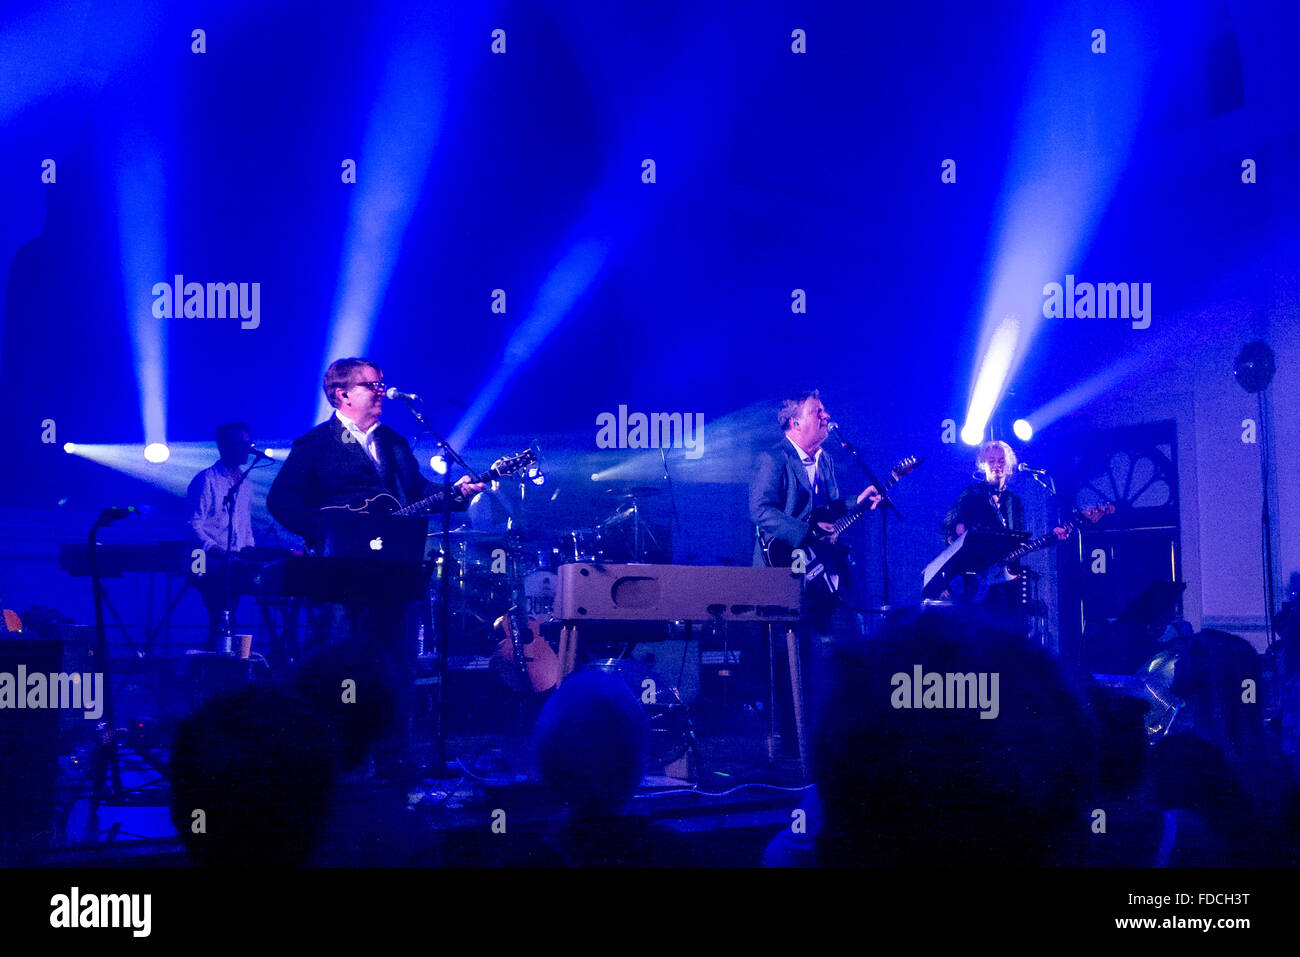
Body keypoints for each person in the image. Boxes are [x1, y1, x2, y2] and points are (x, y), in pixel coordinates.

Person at [267, 357, 485, 546]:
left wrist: (457, 492)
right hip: (337, 560)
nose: (382, 391)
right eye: (372, 385)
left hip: (393, 550)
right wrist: (325, 531)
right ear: (344, 395)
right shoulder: (314, 443)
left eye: (382, 383)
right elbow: (281, 500)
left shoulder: (392, 440)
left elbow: (417, 491)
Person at [187, 422, 267, 649]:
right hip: (208, 561)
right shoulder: (206, 479)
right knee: (221, 616)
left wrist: (250, 550)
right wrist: (215, 549)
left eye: (247, 443)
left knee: (228, 615)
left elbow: (245, 525)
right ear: (223, 446)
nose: (246, 448)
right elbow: (192, 524)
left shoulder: (245, 483)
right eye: (240, 444)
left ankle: (223, 659)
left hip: (236, 561)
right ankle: (215, 664)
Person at [941, 439, 1023, 546]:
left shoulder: (1014, 500)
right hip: (977, 559)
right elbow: (948, 528)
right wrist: (956, 537)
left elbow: (1021, 538)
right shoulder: (971, 494)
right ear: (983, 465)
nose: (997, 465)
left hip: (1006, 561)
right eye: (992, 461)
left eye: (1002, 461)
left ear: (1009, 466)